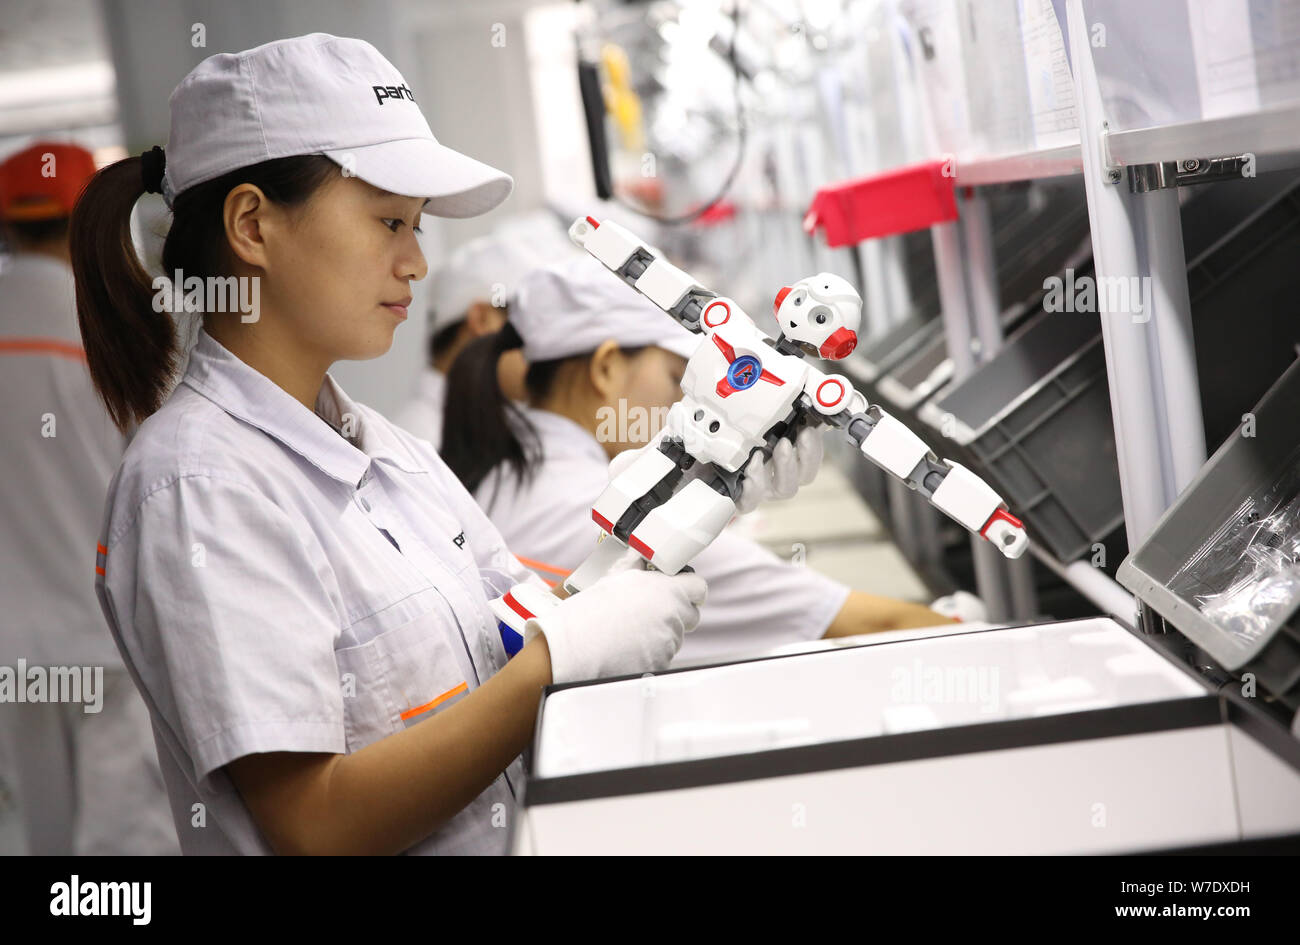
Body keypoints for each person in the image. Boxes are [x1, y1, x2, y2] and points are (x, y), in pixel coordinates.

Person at [69, 33, 766, 856]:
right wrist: (557, 659)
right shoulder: (198, 486)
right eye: (390, 221)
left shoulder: (386, 451)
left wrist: (694, 492)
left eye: (418, 225)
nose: (416, 262)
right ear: (252, 224)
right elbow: (315, 822)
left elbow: (519, 628)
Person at [441, 256, 954, 666]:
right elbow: (880, 625)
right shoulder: (578, 502)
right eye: (676, 377)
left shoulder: (502, 464)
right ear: (604, 369)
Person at [0, 141, 178, 854]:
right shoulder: (112, 327)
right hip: (106, 631)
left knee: (40, 829)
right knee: (124, 834)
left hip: (12, 647)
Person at [392, 215, 571, 448]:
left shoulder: (479, 429)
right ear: (482, 319)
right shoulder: (419, 445)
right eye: (540, 320)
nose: (553, 347)